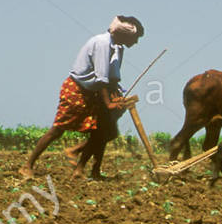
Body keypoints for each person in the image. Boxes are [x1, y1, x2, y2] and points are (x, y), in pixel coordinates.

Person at [21, 15, 143, 180]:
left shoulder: (118, 48)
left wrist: (117, 96)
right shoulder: (102, 43)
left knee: (103, 131)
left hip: (96, 92)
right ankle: (27, 166)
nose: (136, 42)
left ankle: (85, 170)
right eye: (135, 38)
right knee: (58, 129)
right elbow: (101, 78)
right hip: (77, 90)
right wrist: (108, 103)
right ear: (125, 34)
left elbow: (112, 78)